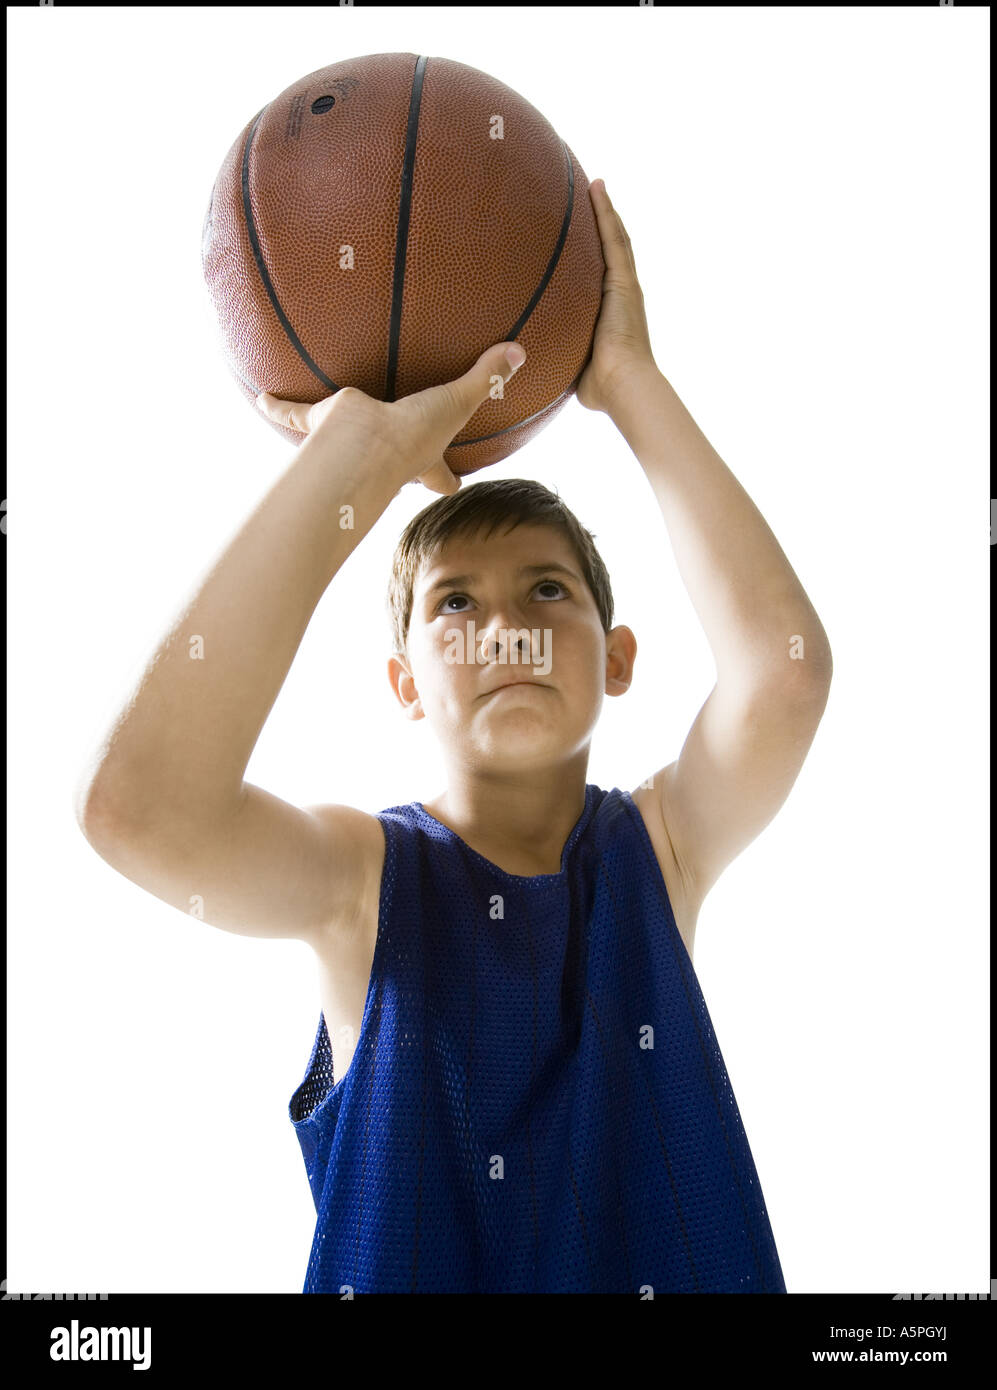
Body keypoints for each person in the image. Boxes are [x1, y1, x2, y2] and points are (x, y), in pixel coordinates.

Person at [76, 179, 832, 1293]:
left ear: (617, 660)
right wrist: (352, 465)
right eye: (455, 606)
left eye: (546, 592)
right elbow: (137, 807)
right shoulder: (361, 884)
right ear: (404, 683)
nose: (508, 628)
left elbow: (784, 673)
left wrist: (626, 382)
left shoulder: (655, 853)